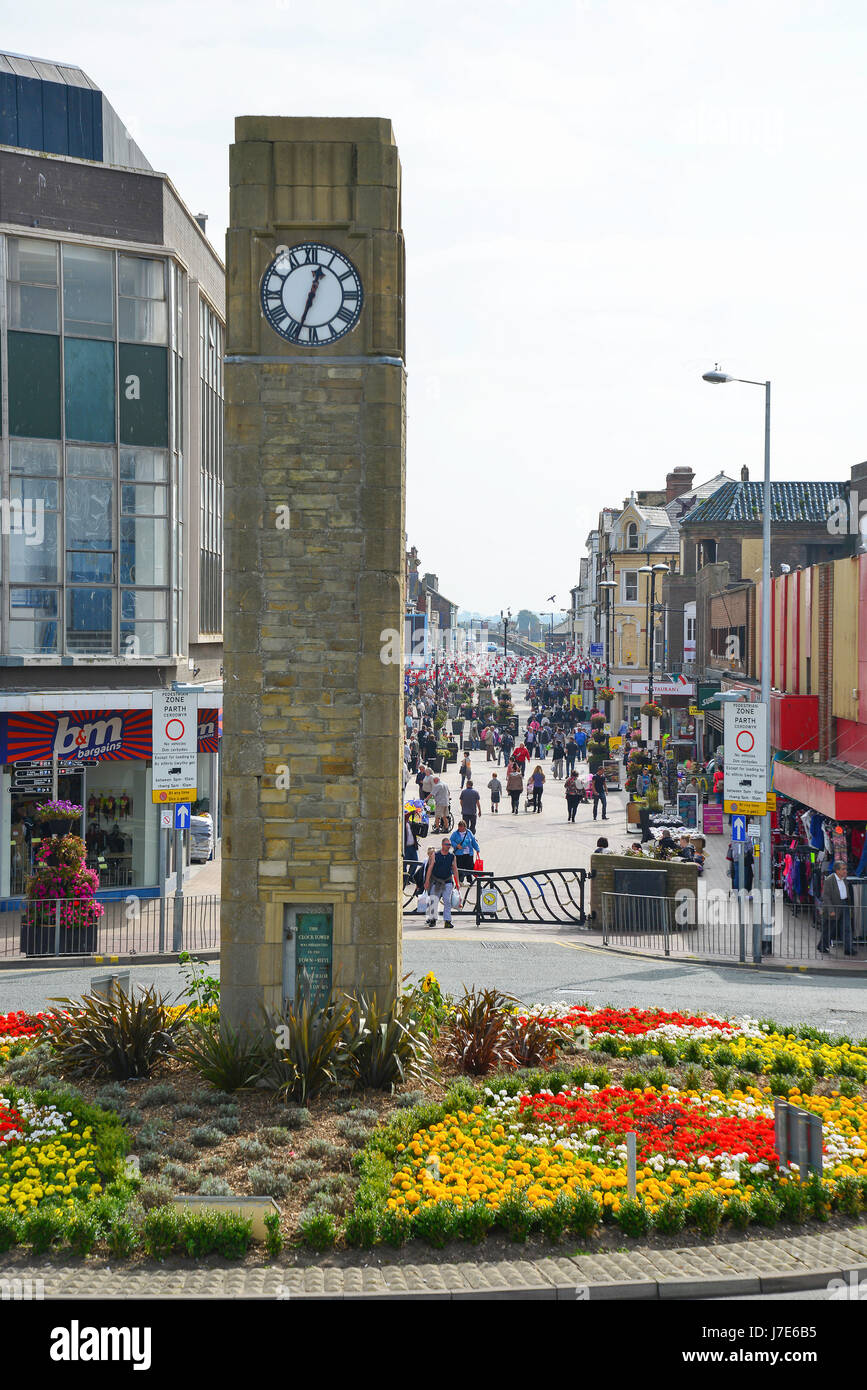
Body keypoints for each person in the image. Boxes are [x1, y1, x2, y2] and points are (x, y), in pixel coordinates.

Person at [424, 839, 461, 928]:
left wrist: (457, 882)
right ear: (442, 845)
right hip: (436, 881)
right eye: (447, 844)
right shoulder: (435, 855)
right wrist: (427, 881)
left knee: (447, 901)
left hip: (447, 881)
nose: (448, 846)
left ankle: (447, 921)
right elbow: (430, 868)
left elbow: (455, 869)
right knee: (434, 900)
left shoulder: (452, 856)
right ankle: (433, 919)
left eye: (450, 845)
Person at [819, 861, 855, 955]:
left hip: (844, 905)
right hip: (834, 906)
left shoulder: (844, 879)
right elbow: (826, 896)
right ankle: (822, 946)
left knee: (847, 928)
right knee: (830, 928)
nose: (845, 871)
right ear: (837, 870)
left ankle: (848, 949)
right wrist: (831, 910)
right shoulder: (829, 880)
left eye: (845, 869)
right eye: (843, 869)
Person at [450, 820, 480, 885]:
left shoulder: (469, 832)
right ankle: (460, 881)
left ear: (465, 827)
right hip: (459, 854)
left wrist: (477, 849)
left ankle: (470, 881)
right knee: (460, 867)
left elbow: (473, 841)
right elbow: (451, 841)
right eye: (459, 827)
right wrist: (456, 845)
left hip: (469, 854)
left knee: (469, 867)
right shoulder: (455, 833)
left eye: (461, 827)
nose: (460, 829)